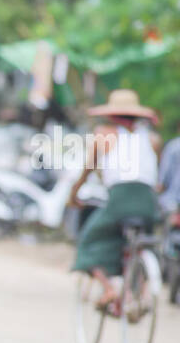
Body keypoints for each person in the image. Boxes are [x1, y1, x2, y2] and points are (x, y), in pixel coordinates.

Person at [68, 89, 163, 307]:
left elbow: (87, 170)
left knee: (90, 239)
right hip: (148, 203)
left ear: (111, 114)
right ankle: (136, 289)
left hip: (119, 199)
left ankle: (109, 289)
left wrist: (74, 194)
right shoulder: (153, 139)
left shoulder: (103, 135)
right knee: (141, 239)